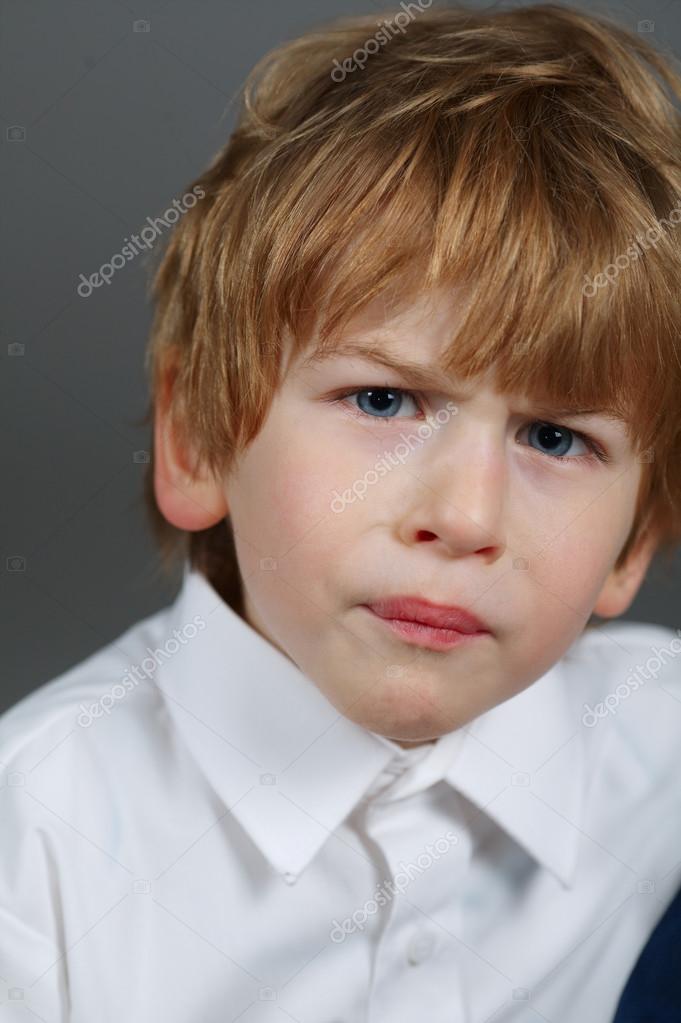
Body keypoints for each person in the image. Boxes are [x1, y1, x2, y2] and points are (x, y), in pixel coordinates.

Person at [2, 3, 681, 1020]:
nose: (464, 516)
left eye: (555, 438)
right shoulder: (36, 856)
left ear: (636, 542)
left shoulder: (657, 752)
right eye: (383, 400)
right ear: (198, 441)